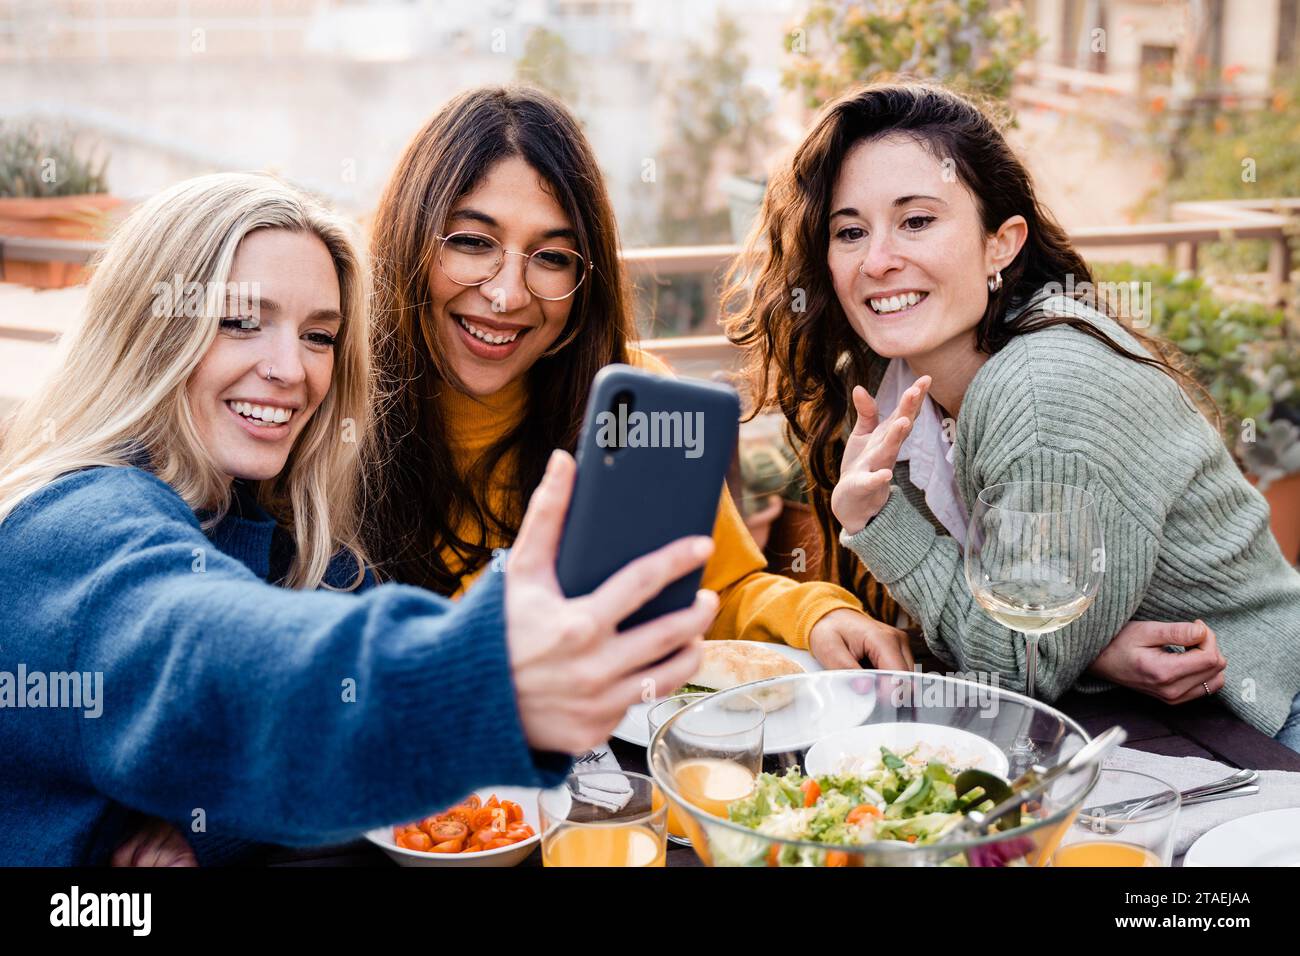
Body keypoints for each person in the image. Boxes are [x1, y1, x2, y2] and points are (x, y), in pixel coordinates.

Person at [0, 172, 718, 866]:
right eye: (242, 322)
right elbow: (214, 661)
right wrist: (488, 674)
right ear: (146, 332)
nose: (291, 369)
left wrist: (204, 827)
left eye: (319, 336)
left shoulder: (267, 518)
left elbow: (300, 730)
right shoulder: (72, 530)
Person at [724, 80, 1300, 748]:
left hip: (1266, 724)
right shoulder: (896, 381)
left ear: (1002, 243)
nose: (879, 260)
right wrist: (1090, 655)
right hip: (1146, 723)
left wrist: (879, 521)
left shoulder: (1039, 384)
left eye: (916, 221)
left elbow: (1015, 671)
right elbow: (1017, 645)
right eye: (850, 231)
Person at [361, 85, 913, 673]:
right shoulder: (333, 404)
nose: (507, 294)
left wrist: (820, 616)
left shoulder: (634, 401)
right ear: (408, 238)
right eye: (471, 242)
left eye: (552, 257)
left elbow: (717, 592)